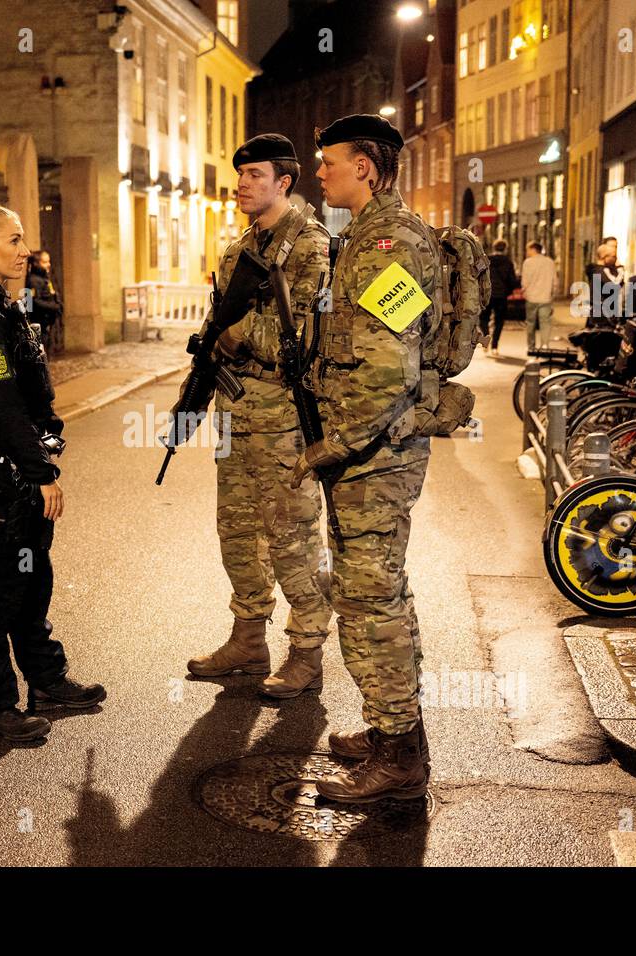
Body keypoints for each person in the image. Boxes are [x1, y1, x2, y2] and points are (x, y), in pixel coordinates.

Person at [293, 113, 443, 802]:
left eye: (330, 161)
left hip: (374, 456)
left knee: (369, 598)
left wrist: (335, 444)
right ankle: (392, 733)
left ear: (369, 167)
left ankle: (399, 757)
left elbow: (389, 369)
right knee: (378, 589)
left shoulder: (388, 243)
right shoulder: (361, 238)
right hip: (368, 455)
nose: (319, 171)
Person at [0, 199, 105, 742]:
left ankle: (47, 682)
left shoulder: (3, 306)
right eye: (13, 239)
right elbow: (2, 405)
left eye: (23, 238)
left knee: (32, 580)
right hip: (3, 470)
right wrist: (40, 472)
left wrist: (45, 450)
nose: (23, 248)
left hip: (22, 464)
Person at [185, 134, 334, 698]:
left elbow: (299, 338)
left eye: (254, 174)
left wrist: (231, 335)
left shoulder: (309, 247)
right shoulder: (237, 247)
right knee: (237, 535)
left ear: (284, 182)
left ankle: (306, 652)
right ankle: (248, 638)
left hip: (284, 421)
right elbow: (215, 327)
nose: (243, 183)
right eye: (240, 173)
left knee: (291, 539)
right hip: (234, 414)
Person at [481, 239, 518, 356]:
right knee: (499, 321)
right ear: (505, 249)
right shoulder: (508, 262)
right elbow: (512, 280)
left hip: (487, 294)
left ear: (494, 247)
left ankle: (486, 339)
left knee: (483, 319)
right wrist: (508, 291)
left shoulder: (486, 259)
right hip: (501, 295)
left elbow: (480, 275)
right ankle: (495, 346)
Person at [521, 240, 558, 350]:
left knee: (530, 323)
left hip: (531, 297)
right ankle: (545, 345)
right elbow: (555, 281)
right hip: (545, 297)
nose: (526, 252)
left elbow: (525, 281)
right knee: (545, 322)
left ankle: (531, 346)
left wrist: (525, 291)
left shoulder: (527, 262)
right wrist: (553, 293)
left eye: (528, 249)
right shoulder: (550, 262)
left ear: (533, 249)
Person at [25, 250, 63, 354]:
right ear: (36, 263)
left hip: (46, 322)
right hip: (38, 322)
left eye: (48, 261)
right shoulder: (32, 280)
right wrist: (54, 306)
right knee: (41, 353)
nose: (49, 265)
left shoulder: (43, 278)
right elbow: (31, 303)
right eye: (45, 262)